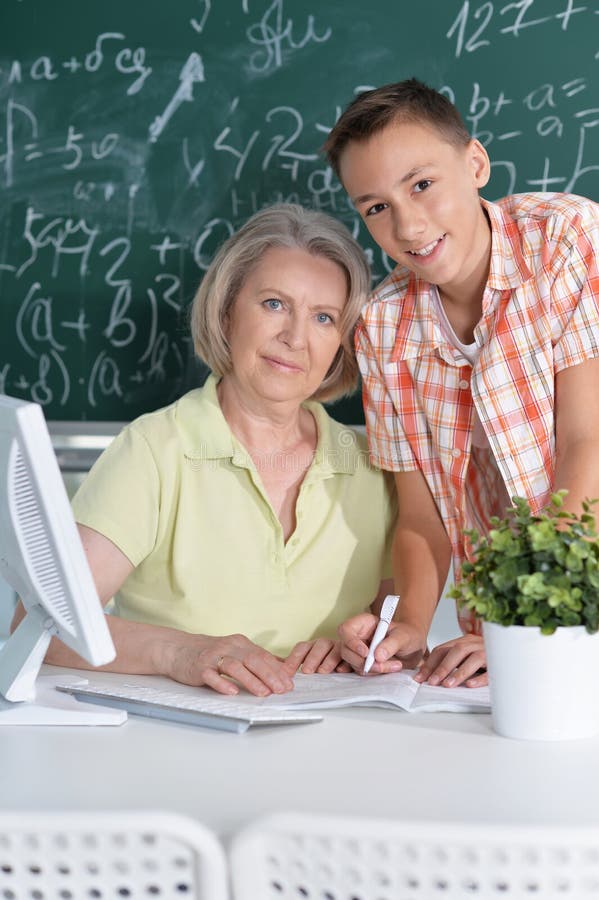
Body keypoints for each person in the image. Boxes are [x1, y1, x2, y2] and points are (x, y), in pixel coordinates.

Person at [12, 204, 396, 696]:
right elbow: (40, 626)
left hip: (335, 737)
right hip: (176, 738)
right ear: (227, 307)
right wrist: (182, 653)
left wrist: (365, 646)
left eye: (324, 318)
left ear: (341, 342)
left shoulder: (375, 464)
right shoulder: (153, 450)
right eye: (274, 304)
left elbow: (397, 636)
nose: (295, 338)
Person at [323, 78, 599, 687]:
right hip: (505, 632)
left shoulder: (566, 238)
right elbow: (421, 516)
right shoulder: (382, 327)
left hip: (563, 605)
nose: (408, 225)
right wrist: (409, 625)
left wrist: (527, 623)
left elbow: (587, 443)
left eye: (421, 184)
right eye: (376, 208)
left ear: (475, 164)